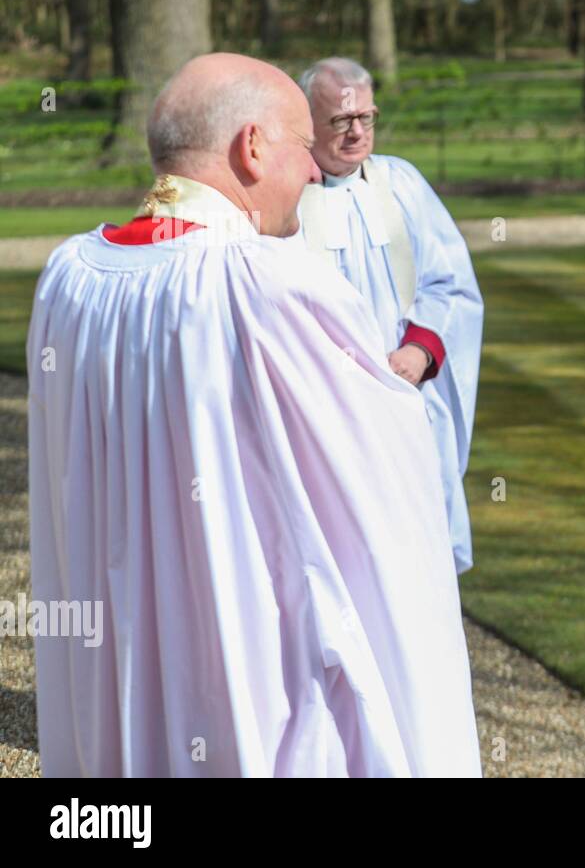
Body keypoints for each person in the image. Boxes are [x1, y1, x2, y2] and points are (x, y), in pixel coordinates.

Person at [27, 52, 480, 777]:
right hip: (247, 668)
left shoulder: (69, 278)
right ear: (252, 147)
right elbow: (378, 502)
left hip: (122, 646)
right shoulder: (270, 285)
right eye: (305, 146)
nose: (311, 172)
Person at [295, 57, 483, 575]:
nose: (357, 132)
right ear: (306, 119)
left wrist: (420, 350)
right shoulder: (285, 195)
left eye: (367, 118)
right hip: (323, 407)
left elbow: (451, 283)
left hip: (406, 401)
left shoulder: (402, 184)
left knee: (415, 557)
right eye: (340, 121)